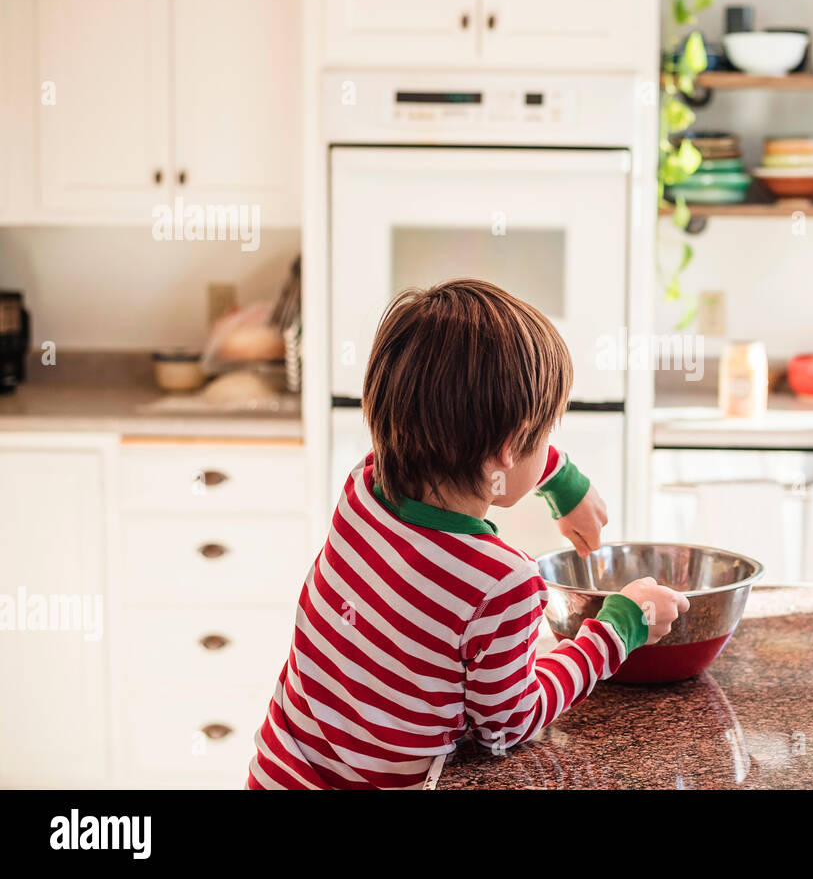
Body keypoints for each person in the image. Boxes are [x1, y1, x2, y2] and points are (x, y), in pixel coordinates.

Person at [247, 280, 687, 789]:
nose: (548, 446)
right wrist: (619, 628)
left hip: (277, 772)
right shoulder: (502, 582)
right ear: (512, 444)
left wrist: (563, 480)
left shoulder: (363, 488)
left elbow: (463, 440)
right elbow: (506, 726)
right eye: (545, 435)